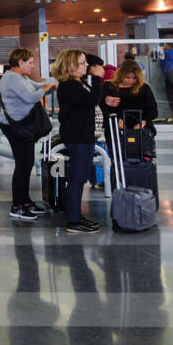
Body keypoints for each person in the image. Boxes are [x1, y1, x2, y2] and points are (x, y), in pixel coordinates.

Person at [0, 47, 57, 221]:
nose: (32, 66)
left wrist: (53, 83)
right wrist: (46, 88)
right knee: (23, 166)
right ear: (20, 62)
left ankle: (25, 202)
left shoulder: (20, 77)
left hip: (22, 127)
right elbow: (31, 97)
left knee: (27, 164)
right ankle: (17, 206)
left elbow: (38, 86)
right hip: (16, 127)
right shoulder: (11, 78)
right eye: (30, 63)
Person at [53, 49, 106, 233]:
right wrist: (98, 78)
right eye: (83, 63)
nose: (87, 66)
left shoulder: (77, 83)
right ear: (72, 66)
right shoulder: (69, 85)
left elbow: (91, 100)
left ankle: (76, 215)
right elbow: (91, 100)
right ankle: (73, 221)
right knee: (77, 179)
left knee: (80, 177)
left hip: (83, 135)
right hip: (78, 137)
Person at [103, 61, 158, 150]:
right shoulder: (109, 87)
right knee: (118, 154)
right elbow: (103, 108)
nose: (131, 81)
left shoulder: (144, 88)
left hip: (141, 129)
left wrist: (143, 121)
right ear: (121, 75)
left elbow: (153, 110)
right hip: (115, 129)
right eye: (127, 77)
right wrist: (116, 120)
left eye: (134, 78)